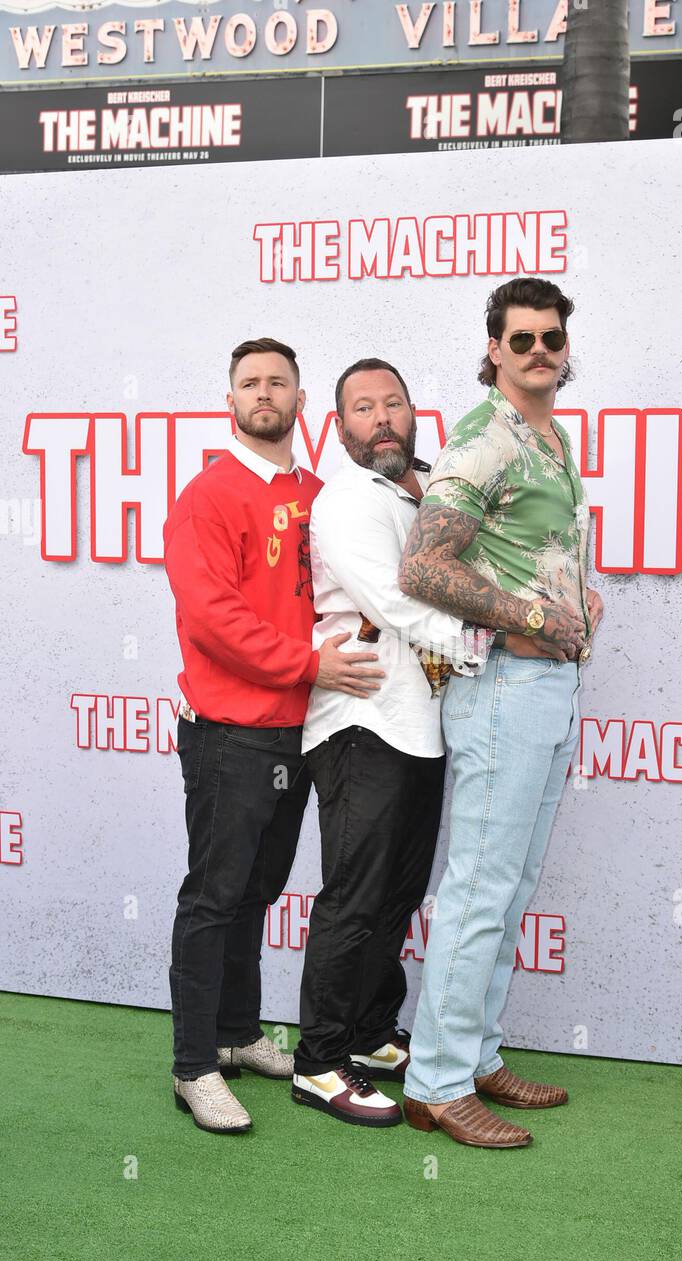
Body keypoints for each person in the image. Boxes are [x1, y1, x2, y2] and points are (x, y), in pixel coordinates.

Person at [398, 278, 605, 1149]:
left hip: (548, 687)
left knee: (509, 887)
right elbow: (420, 568)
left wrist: (579, 602)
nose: (536, 353)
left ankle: (476, 1056)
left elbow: (531, 553)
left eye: (549, 339)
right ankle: (435, 1085)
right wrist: (529, 618)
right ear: (493, 350)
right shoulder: (484, 439)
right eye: (519, 340)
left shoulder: (551, 438)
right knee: (481, 890)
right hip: (502, 691)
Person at [164, 337, 383, 1135]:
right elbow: (214, 621)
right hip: (229, 733)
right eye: (249, 383)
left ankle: (238, 1033)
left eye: (278, 382)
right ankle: (193, 1068)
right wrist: (309, 663)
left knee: (256, 893)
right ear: (230, 400)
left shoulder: (321, 492)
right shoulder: (208, 496)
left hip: (298, 729)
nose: (264, 394)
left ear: (298, 399)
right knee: (213, 898)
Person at [291, 358, 511, 1127]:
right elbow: (393, 599)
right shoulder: (347, 500)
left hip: (416, 723)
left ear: (415, 413)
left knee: (397, 893)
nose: (380, 417)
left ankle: (372, 1034)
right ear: (339, 424)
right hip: (361, 723)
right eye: (361, 408)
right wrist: (489, 640)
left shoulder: (419, 487)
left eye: (392, 403)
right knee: (355, 895)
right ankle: (317, 1062)